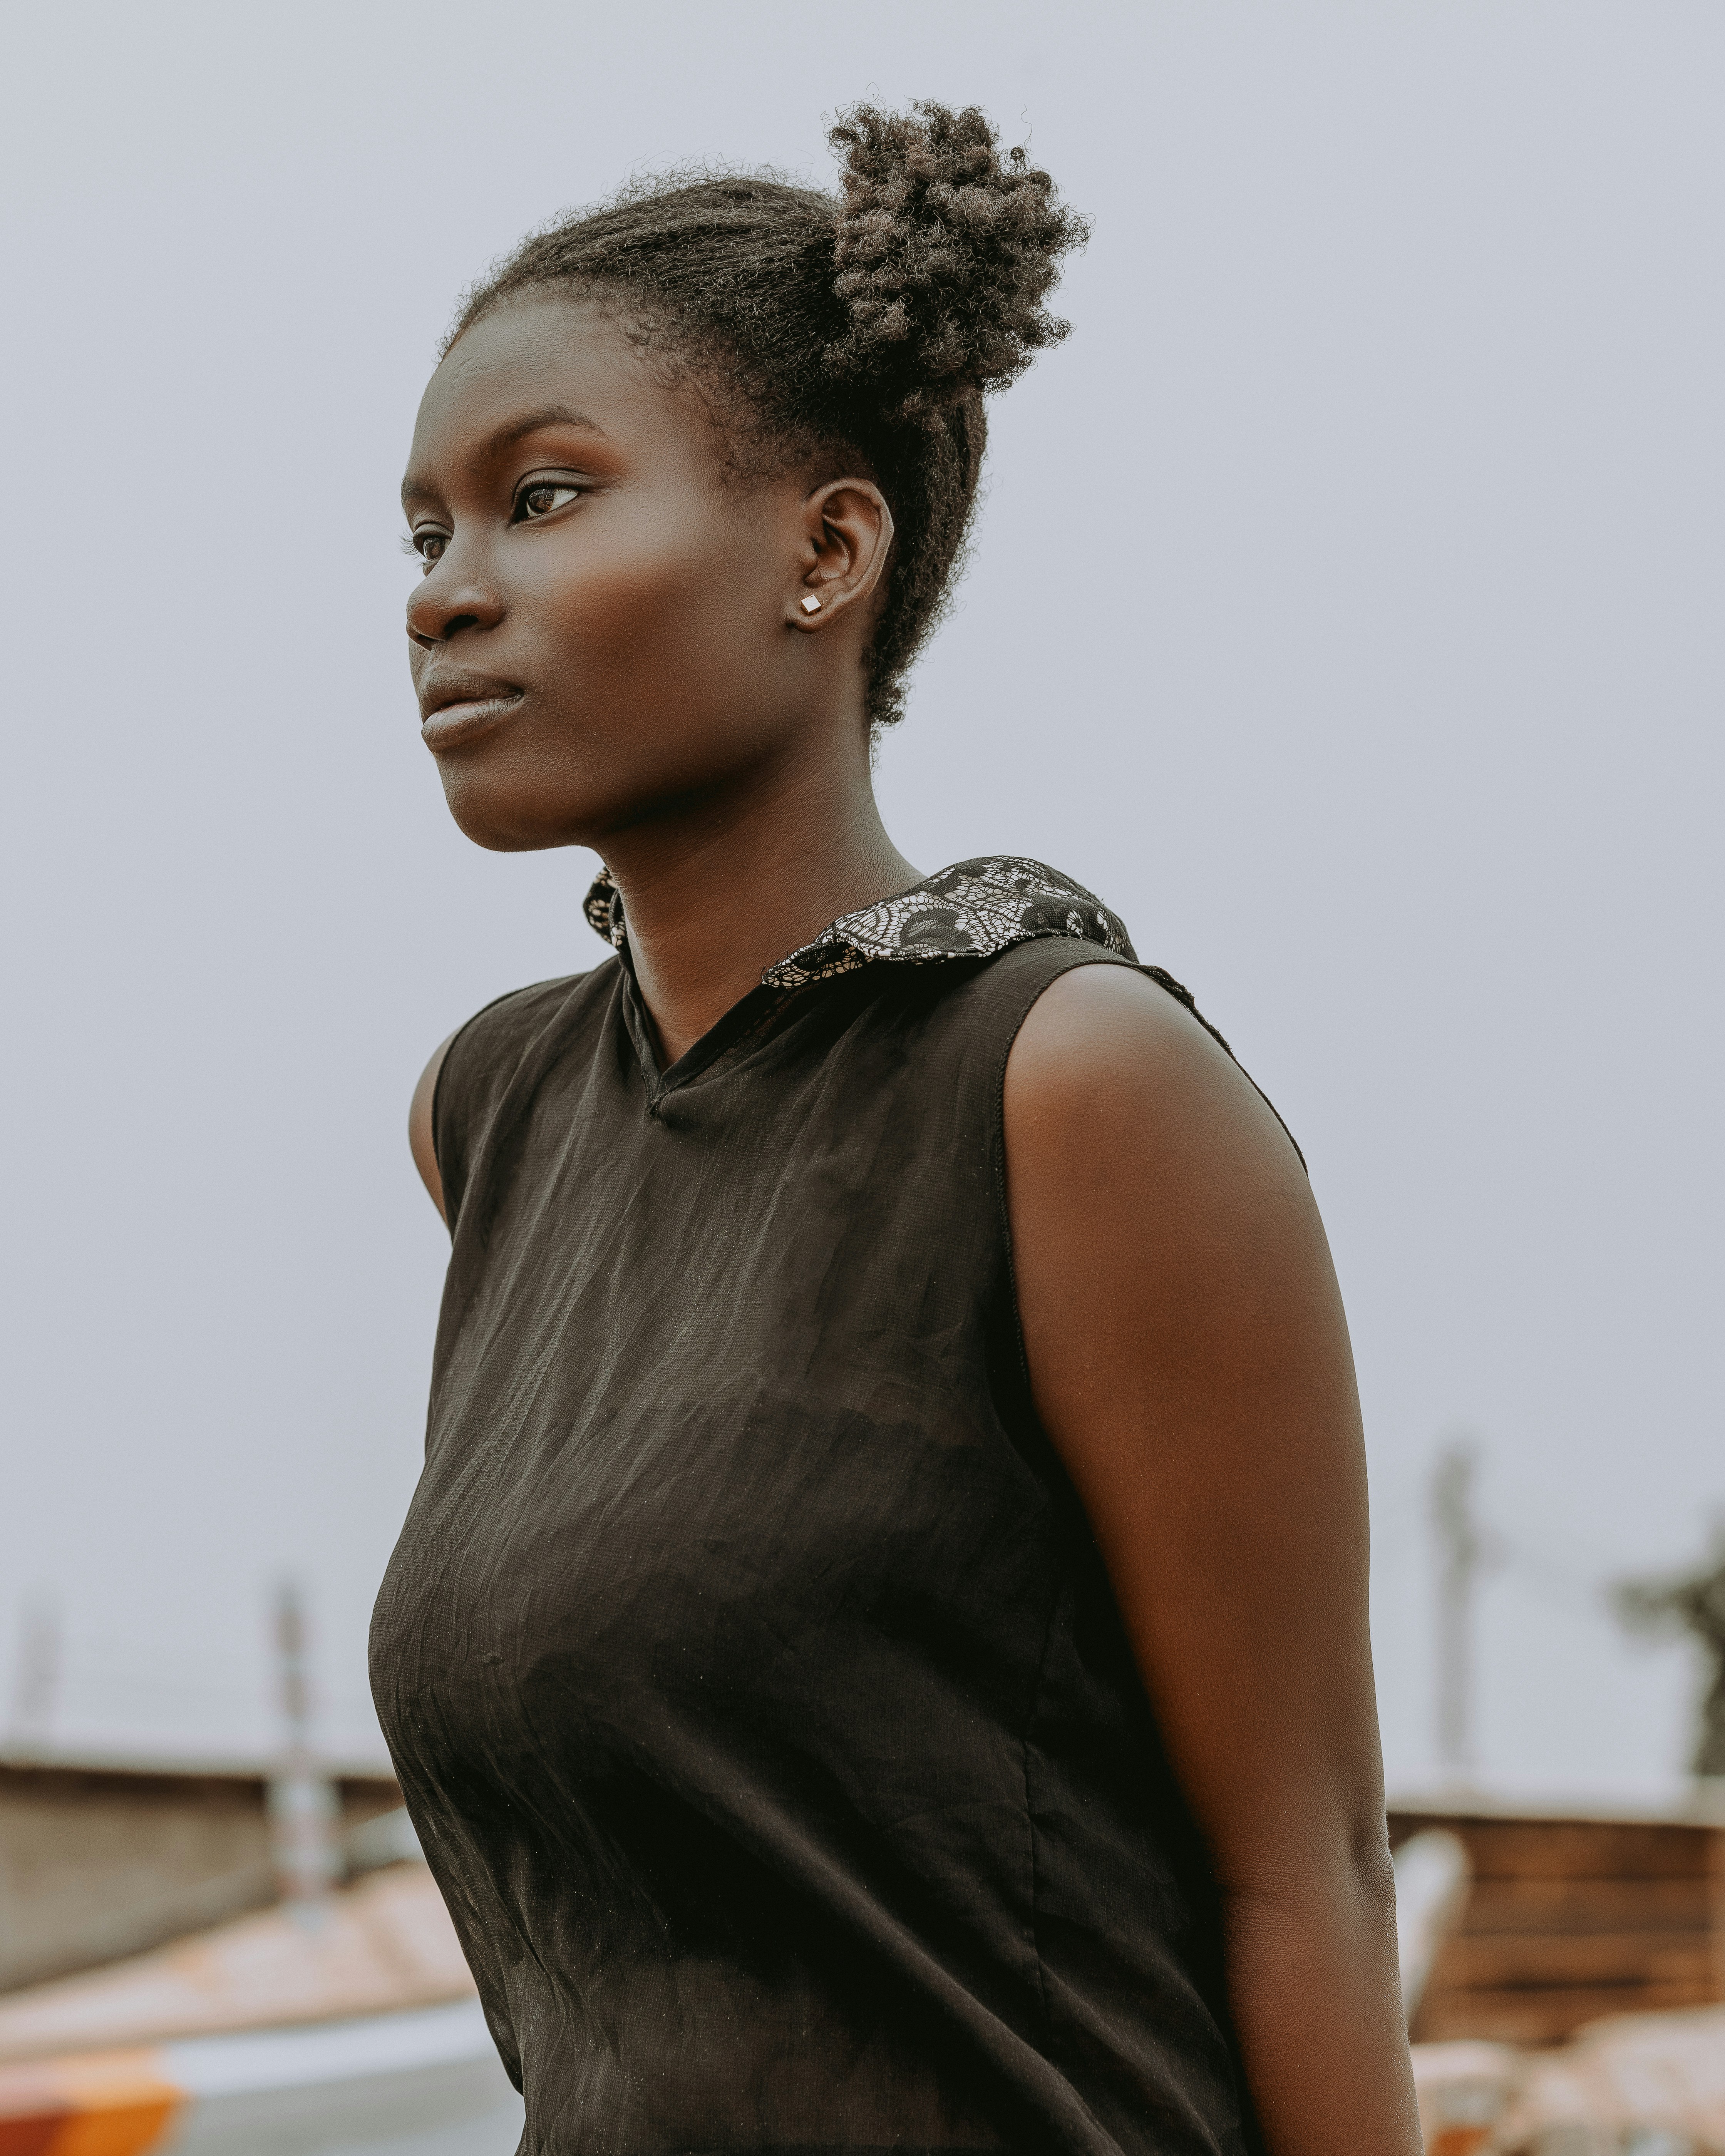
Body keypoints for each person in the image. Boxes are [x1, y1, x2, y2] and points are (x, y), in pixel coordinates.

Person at [369, 100, 1421, 2156]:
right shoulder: (490, 1117)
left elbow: (1313, 1881)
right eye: (427, 534)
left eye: (546, 497)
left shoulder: (1070, 1080)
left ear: (825, 553)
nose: (446, 594)